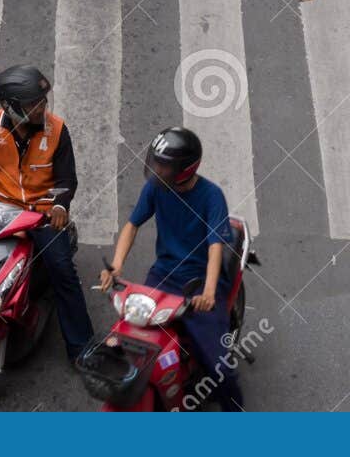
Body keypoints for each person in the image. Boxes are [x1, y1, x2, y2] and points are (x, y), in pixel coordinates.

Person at [0, 65, 93, 362]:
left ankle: (81, 346)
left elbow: (67, 180)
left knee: (62, 268)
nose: (42, 108)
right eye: (34, 103)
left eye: (43, 101)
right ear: (11, 107)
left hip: (41, 209)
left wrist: (60, 207)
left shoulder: (57, 130)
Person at [99, 128, 244, 411]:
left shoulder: (211, 196)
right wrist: (116, 266)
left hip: (200, 282)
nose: (156, 168)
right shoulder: (156, 187)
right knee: (128, 338)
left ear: (183, 170)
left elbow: (216, 246)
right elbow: (132, 225)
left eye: (163, 165)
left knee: (219, 367)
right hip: (163, 275)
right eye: (155, 162)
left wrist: (210, 293)